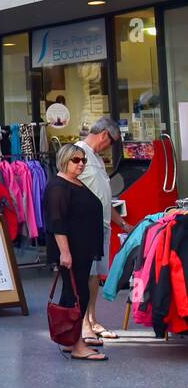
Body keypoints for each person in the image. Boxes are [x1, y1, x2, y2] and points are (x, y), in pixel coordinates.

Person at [46, 143, 109, 361]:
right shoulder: (58, 186)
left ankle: (70, 338)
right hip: (72, 249)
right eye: (76, 160)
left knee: (73, 293)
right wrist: (65, 252)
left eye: (83, 160)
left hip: (83, 248)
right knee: (78, 293)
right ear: (64, 160)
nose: (81, 164)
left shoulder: (75, 182)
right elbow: (57, 222)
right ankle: (77, 344)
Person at [75, 116, 129, 347]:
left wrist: (122, 224)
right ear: (105, 135)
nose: (109, 148)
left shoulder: (95, 158)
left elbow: (104, 197)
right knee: (87, 275)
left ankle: (92, 319)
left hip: (101, 225)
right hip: (86, 226)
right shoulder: (78, 153)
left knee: (95, 275)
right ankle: (84, 324)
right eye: (111, 143)